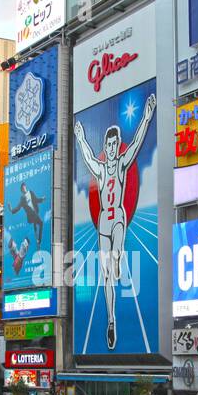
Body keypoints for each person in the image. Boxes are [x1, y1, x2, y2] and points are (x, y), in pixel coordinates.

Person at [74, 92, 156, 350]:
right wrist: (81, 138)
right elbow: (88, 157)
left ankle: (118, 259)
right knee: (107, 275)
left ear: (117, 145)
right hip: (103, 222)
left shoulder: (121, 165)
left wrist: (147, 117)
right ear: (105, 146)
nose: (111, 148)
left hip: (118, 216)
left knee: (116, 255)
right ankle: (111, 321)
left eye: (114, 144)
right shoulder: (100, 169)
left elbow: (138, 143)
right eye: (108, 145)